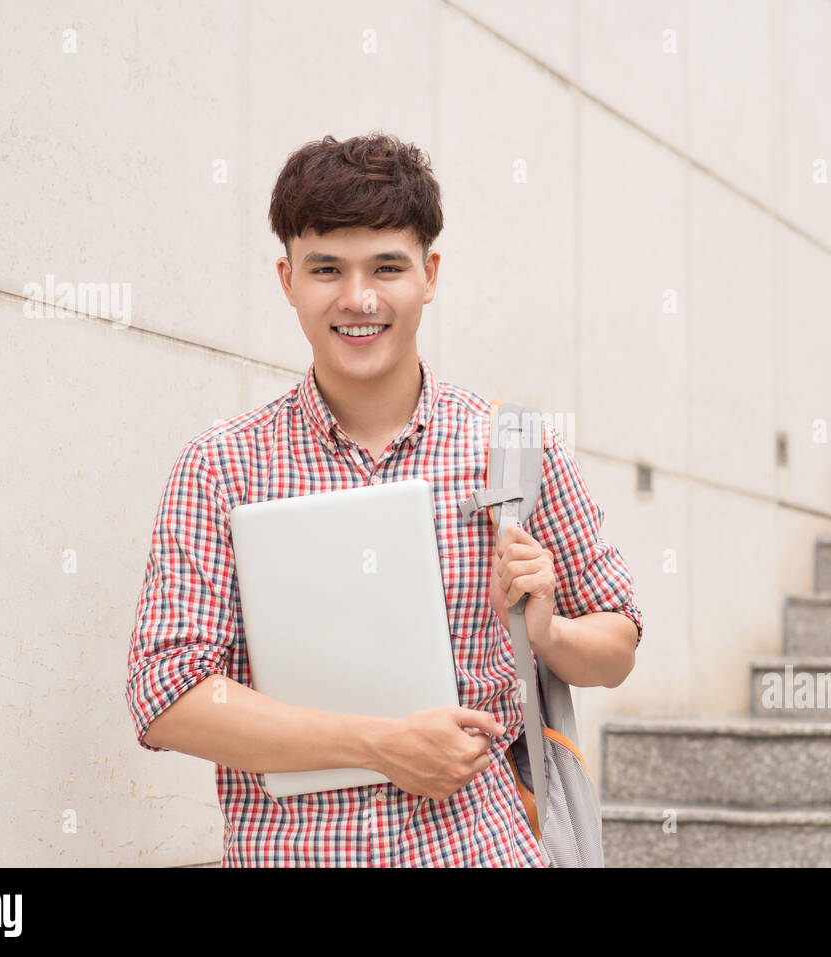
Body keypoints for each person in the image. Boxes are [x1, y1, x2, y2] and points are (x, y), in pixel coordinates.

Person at [124, 131, 643, 866]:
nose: (358, 298)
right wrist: (379, 744)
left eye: (387, 267)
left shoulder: (513, 447)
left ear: (429, 274)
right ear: (287, 278)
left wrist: (549, 633)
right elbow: (166, 696)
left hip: (480, 849)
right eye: (327, 268)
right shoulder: (220, 467)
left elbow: (618, 644)